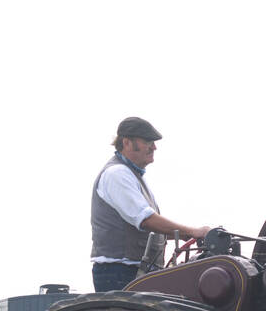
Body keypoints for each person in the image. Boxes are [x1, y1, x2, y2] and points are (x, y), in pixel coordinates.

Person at [90, 116, 211, 292]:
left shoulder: (133, 175)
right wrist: (193, 231)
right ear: (127, 142)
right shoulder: (117, 174)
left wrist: (186, 236)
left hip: (133, 270)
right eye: (148, 141)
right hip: (120, 272)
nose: (154, 147)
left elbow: (149, 230)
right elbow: (146, 220)